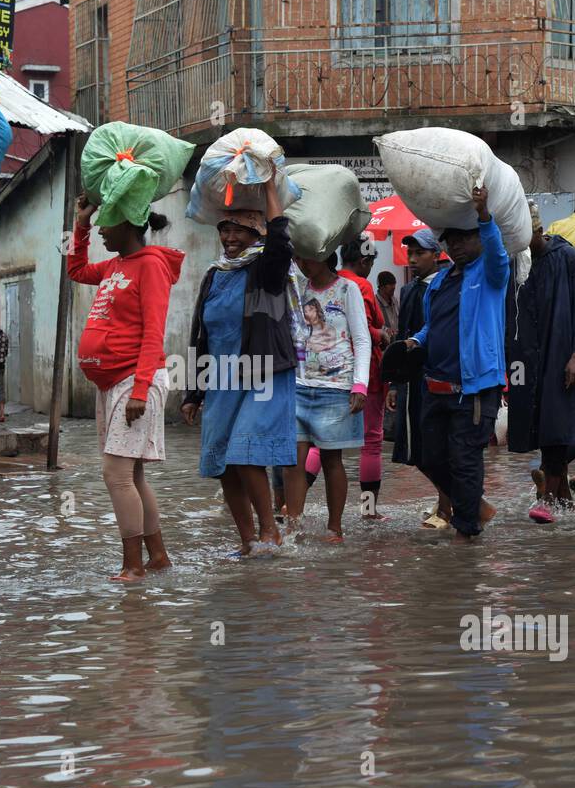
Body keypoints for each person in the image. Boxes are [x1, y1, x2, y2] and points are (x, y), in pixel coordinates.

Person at [68, 193, 183, 582]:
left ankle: (132, 565)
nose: (101, 229)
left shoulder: (150, 266)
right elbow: (76, 270)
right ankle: (158, 557)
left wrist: (140, 389)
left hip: (135, 381)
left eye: (106, 222)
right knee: (132, 477)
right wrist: (81, 224)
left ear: (130, 224)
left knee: (115, 474)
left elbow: (155, 331)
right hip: (113, 382)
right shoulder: (117, 264)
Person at [181, 179, 295, 556]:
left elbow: (281, 240)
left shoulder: (267, 269)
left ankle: (270, 533)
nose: (230, 237)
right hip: (221, 378)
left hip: (264, 373)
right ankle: (248, 542)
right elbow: (201, 334)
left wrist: (271, 192)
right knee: (222, 461)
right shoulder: (215, 274)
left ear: (256, 233)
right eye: (225, 230)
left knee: (245, 453)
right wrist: (193, 392)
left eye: (240, 231)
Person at [401, 185, 509, 543]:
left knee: (465, 460)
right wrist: (417, 339)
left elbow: (497, 253)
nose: (457, 246)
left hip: (474, 387)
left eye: (464, 239)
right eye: (451, 240)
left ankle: (467, 534)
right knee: (427, 457)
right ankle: (474, 506)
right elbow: (434, 323)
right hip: (436, 385)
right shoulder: (442, 280)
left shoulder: (491, 274)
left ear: (477, 238)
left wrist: (483, 216)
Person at [507, 201, 575, 524]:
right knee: (539, 424)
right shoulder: (520, 265)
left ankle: (548, 497)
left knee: (561, 425)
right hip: (529, 359)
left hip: (562, 354)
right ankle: (564, 500)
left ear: (539, 230)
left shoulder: (568, 258)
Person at [282, 252, 371, 542]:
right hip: (298, 384)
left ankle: (335, 528)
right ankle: (293, 526)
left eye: (307, 257)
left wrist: (360, 385)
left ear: (325, 255)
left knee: (332, 460)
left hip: (336, 387)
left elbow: (361, 338)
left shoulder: (348, 289)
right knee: (293, 461)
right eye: (298, 257)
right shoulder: (298, 288)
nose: (301, 262)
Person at [334, 238, 388, 516]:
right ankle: (369, 509)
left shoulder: (328, 281)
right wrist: (384, 335)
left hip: (332, 373)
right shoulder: (361, 285)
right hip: (366, 374)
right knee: (371, 442)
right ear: (364, 261)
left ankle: (291, 506)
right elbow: (367, 330)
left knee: (324, 441)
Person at [377, 270, 399, 343]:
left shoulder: (394, 300)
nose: (394, 289)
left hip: (396, 342)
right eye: (391, 289)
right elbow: (373, 325)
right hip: (383, 344)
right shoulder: (375, 302)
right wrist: (386, 329)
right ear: (382, 287)